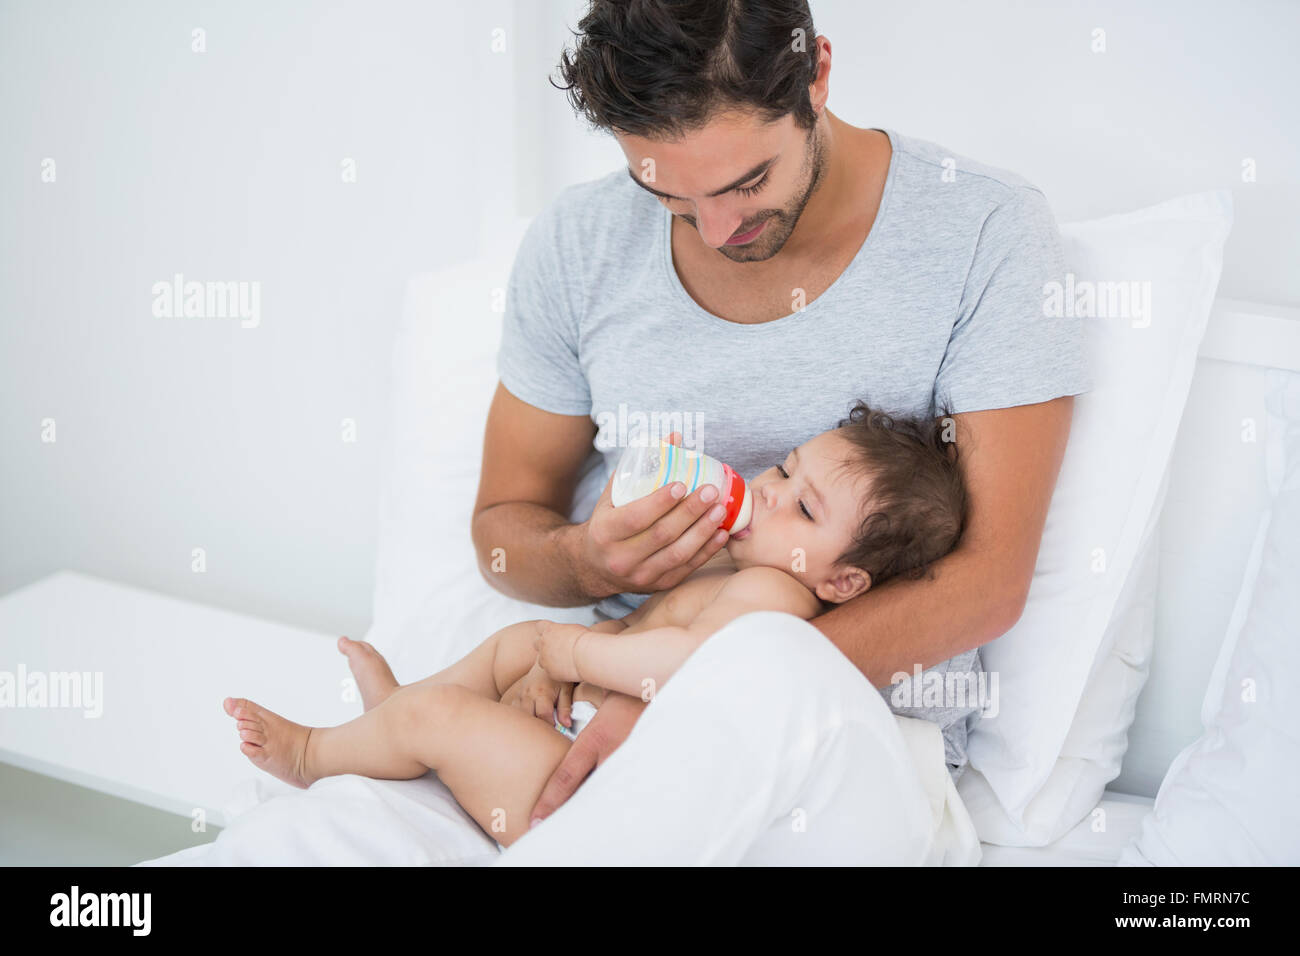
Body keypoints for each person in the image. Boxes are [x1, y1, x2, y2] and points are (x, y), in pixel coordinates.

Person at [472, 0, 1088, 864]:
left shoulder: (984, 233)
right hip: (598, 696)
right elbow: (503, 527)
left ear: (817, 73)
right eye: (670, 198)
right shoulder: (577, 245)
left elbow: (986, 583)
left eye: (745, 184)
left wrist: (686, 697)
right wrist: (585, 564)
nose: (718, 232)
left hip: (850, 735)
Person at [222, 403, 976, 849]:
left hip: (581, 796)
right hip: (572, 728)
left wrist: (570, 647)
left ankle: (317, 754)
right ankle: (392, 714)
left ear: (843, 581)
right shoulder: (745, 569)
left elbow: (687, 669)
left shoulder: (780, 607)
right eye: (783, 471)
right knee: (510, 647)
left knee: (447, 713)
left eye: (805, 509)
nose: (771, 495)